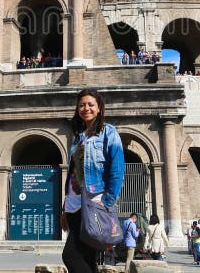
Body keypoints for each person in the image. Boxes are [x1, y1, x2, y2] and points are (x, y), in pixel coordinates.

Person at [60, 88, 125, 273]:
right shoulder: (78, 137)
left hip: (93, 203)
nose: (85, 108)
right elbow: (74, 173)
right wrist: (65, 208)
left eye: (90, 104)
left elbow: (117, 169)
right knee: (87, 259)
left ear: (99, 108)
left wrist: (107, 201)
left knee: (70, 256)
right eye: (81, 105)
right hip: (74, 205)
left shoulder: (108, 132)